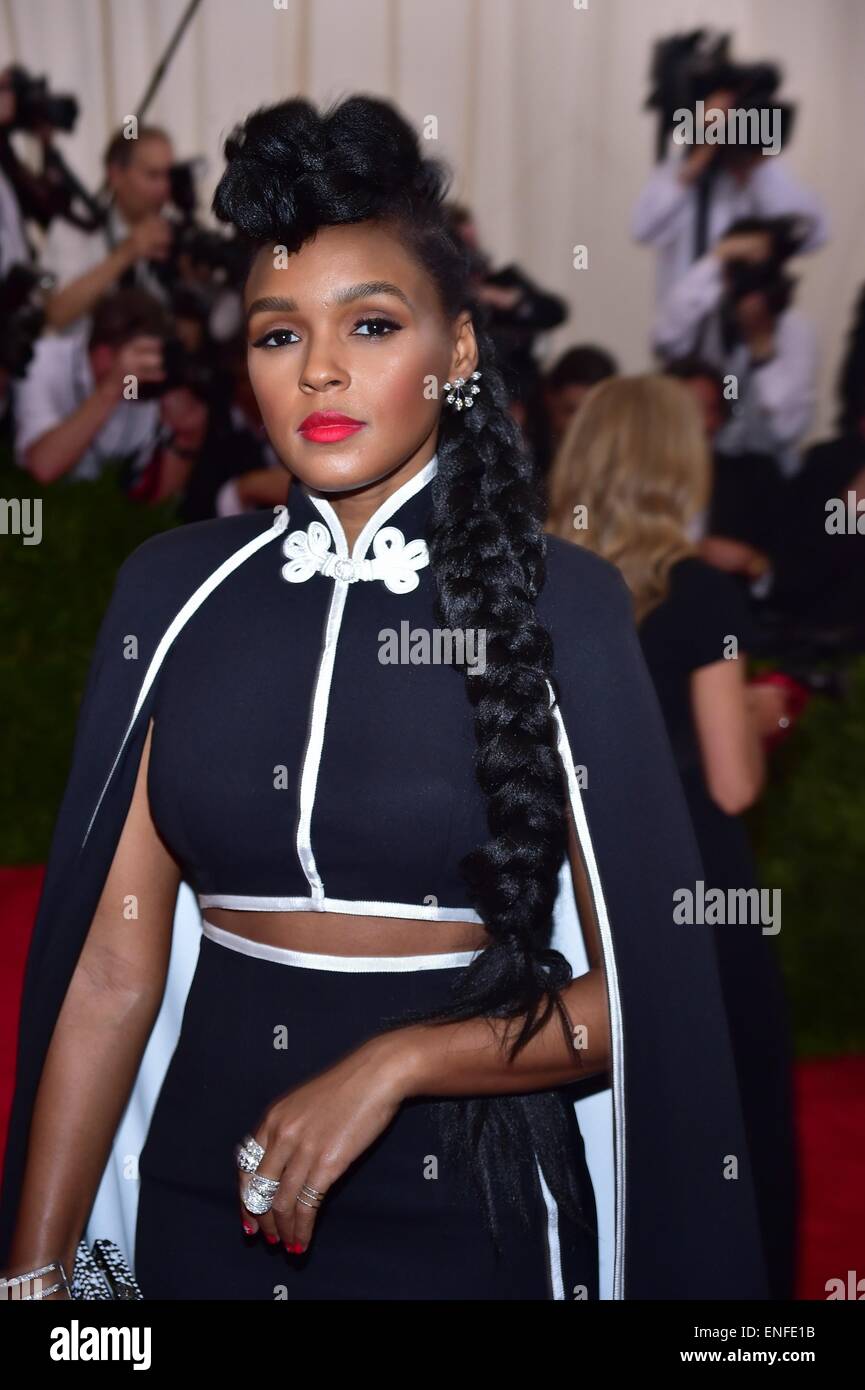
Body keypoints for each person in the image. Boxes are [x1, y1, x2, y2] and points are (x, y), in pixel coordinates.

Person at [0, 96, 768, 1302]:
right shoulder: (174, 587)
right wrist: (36, 1277)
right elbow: (108, 972)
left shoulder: (560, 603)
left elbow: (646, 997)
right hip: (200, 1198)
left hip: (475, 1219)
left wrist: (403, 1060)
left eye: (369, 323)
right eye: (274, 334)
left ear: (457, 353)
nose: (318, 369)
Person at [546, 374, 798, 1300]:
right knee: (729, 1113)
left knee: (597, 1120)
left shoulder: (540, 583)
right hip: (695, 884)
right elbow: (731, 782)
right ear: (674, 465)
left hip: (568, 890)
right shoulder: (699, 594)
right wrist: (766, 713)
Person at [653, 219, 818, 479]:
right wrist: (717, 256)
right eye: (741, 268)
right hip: (698, 459)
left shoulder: (794, 330)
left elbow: (788, 429)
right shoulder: (703, 309)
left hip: (766, 471)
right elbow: (665, 339)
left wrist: (763, 349)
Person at [12, 287, 206, 498]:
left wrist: (187, 437)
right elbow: (43, 467)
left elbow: (155, 504)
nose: (151, 368)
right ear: (104, 355)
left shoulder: (141, 387)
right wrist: (111, 389)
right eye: (142, 356)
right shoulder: (41, 362)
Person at [40, 126, 175, 337]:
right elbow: (55, 313)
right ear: (116, 175)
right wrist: (126, 254)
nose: (164, 187)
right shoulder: (76, 223)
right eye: (152, 175)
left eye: (168, 175)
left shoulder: (172, 228)